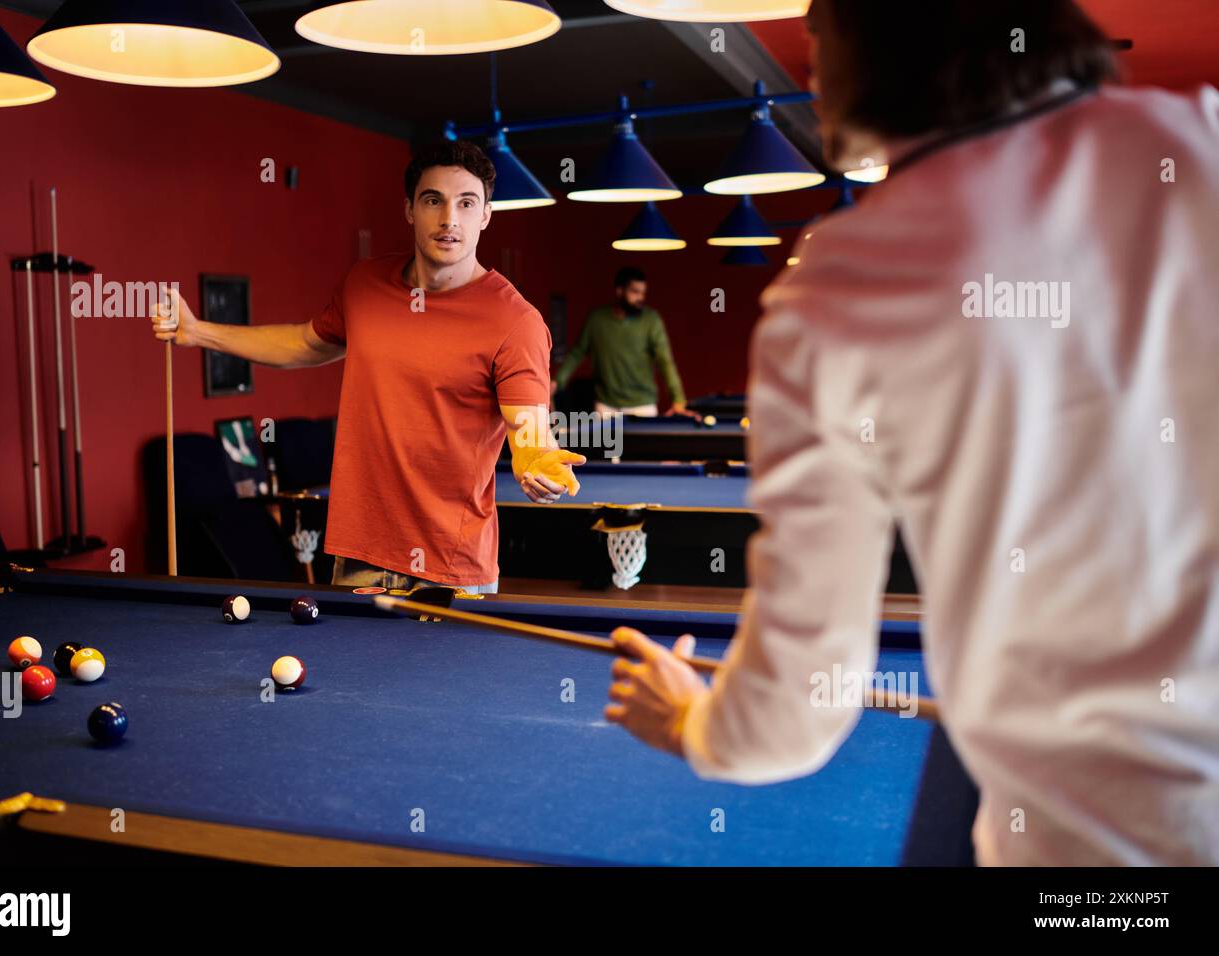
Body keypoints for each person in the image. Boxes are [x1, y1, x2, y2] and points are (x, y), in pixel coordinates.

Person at [604, 0, 1219, 865]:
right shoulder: (1202, 139)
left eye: (819, 34)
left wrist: (693, 723)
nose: (811, 73)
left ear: (875, 36)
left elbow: (800, 707)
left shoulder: (838, 286)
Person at [152, 141, 584, 593]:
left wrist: (536, 456)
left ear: (486, 216)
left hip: (450, 568)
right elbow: (304, 343)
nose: (449, 219)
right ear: (410, 210)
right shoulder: (364, 285)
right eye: (433, 200)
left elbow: (528, 422)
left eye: (466, 203)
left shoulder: (516, 320)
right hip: (359, 553)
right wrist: (197, 332)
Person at [553, 267, 693, 418]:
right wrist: (556, 382)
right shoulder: (597, 319)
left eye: (643, 293)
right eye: (635, 292)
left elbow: (665, 361)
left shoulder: (651, 320)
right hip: (606, 406)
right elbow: (577, 353)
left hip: (642, 406)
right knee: (605, 442)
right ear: (619, 291)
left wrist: (678, 399)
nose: (641, 297)